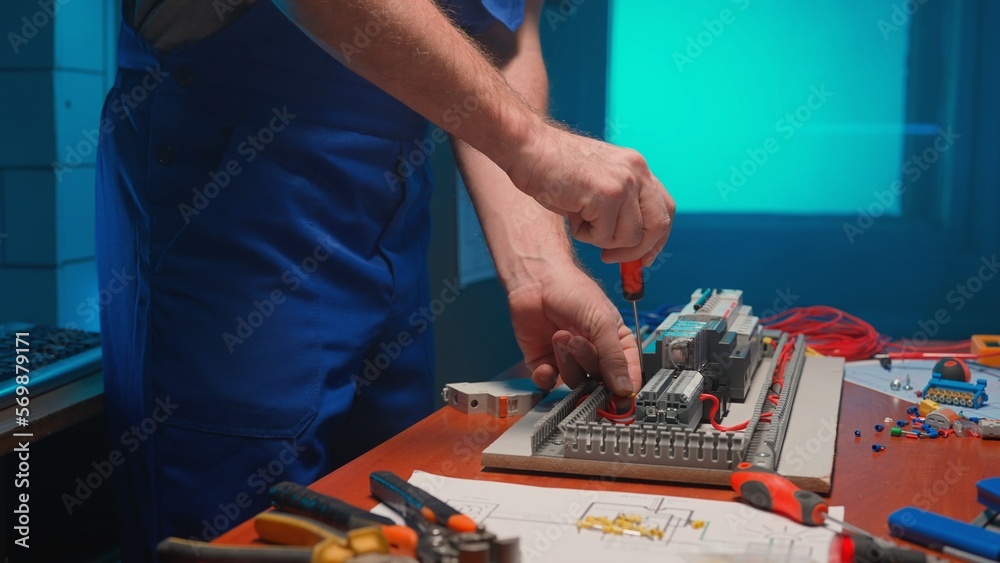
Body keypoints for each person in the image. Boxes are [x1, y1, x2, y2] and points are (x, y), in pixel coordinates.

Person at [97, 0, 674, 560]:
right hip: (233, 181)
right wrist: (532, 142)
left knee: (391, 493)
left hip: (390, 196)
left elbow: (501, 39)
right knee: (239, 513)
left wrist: (541, 267)